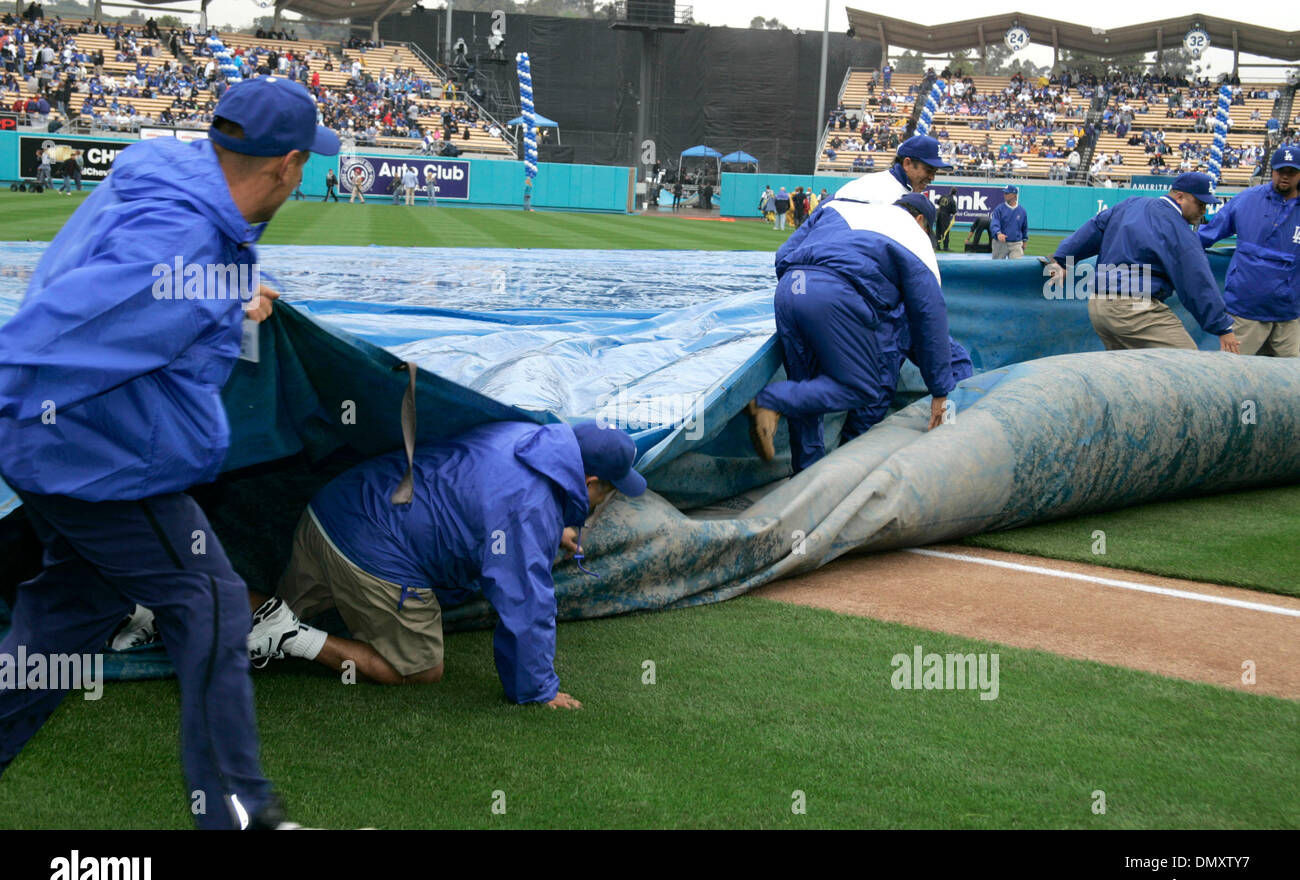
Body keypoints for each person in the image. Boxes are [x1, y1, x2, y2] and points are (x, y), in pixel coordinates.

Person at [0, 76, 340, 830]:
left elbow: (152, 283)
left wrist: (229, 288)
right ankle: (241, 818)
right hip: (100, 461)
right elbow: (70, 325)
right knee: (209, 601)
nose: (303, 175)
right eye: (305, 164)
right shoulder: (183, 242)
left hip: (60, 450)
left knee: (66, 622)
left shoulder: (173, 184)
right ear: (285, 164)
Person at [240, 421, 646, 708]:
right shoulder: (528, 511)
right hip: (375, 555)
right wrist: (536, 689)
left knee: (280, 607)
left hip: (331, 511)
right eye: (609, 492)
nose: (605, 502)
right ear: (590, 482)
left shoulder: (522, 434)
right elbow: (525, 605)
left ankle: (198, 591)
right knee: (419, 669)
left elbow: (485, 492)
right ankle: (292, 637)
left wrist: (551, 528)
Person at [746, 193, 956, 473]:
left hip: (789, 287)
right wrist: (940, 390)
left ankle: (806, 481)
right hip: (833, 295)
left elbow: (784, 253)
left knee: (806, 393)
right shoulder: (916, 239)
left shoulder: (840, 207)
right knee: (862, 387)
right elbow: (929, 318)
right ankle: (770, 400)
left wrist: (802, 286)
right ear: (921, 221)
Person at [1048, 172, 1240, 353]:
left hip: (1098, 306)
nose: (1203, 210)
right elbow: (1196, 281)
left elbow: (1094, 228)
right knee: (1189, 365)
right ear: (1180, 197)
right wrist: (1222, 327)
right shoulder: (1179, 229)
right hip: (1134, 311)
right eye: (1200, 203)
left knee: (1132, 376)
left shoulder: (1131, 204)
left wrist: (1063, 259)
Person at [1196, 145, 1300, 357]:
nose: (1285, 177)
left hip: (1289, 314)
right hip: (1245, 309)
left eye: (1292, 172)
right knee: (1234, 377)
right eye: (1281, 171)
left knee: (1290, 382)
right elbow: (1207, 235)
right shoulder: (1247, 200)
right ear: (1271, 171)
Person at [833, 134, 952, 205]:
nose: (932, 177)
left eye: (935, 172)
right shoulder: (883, 193)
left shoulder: (896, 187)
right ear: (907, 164)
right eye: (929, 170)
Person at [990, 185, 1028, 259]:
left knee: (1016, 267)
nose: (1004, 195)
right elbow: (994, 223)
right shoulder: (999, 209)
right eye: (1004, 193)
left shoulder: (1022, 211)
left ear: (1014, 195)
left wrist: (1025, 241)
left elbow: (1024, 227)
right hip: (1000, 243)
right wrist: (998, 233)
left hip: (1016, 243)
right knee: (997, 267)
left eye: (1007, 193)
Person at [935, 186, 958, 251]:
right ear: (955, 193)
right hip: (945, 216)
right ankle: (945, 247)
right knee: (945, 231)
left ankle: (937, 246)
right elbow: (954, 212)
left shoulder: (943, 196)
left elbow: (938, 202)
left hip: (939, 214)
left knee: (938, 230)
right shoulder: (952, 201)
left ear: (950, 191)